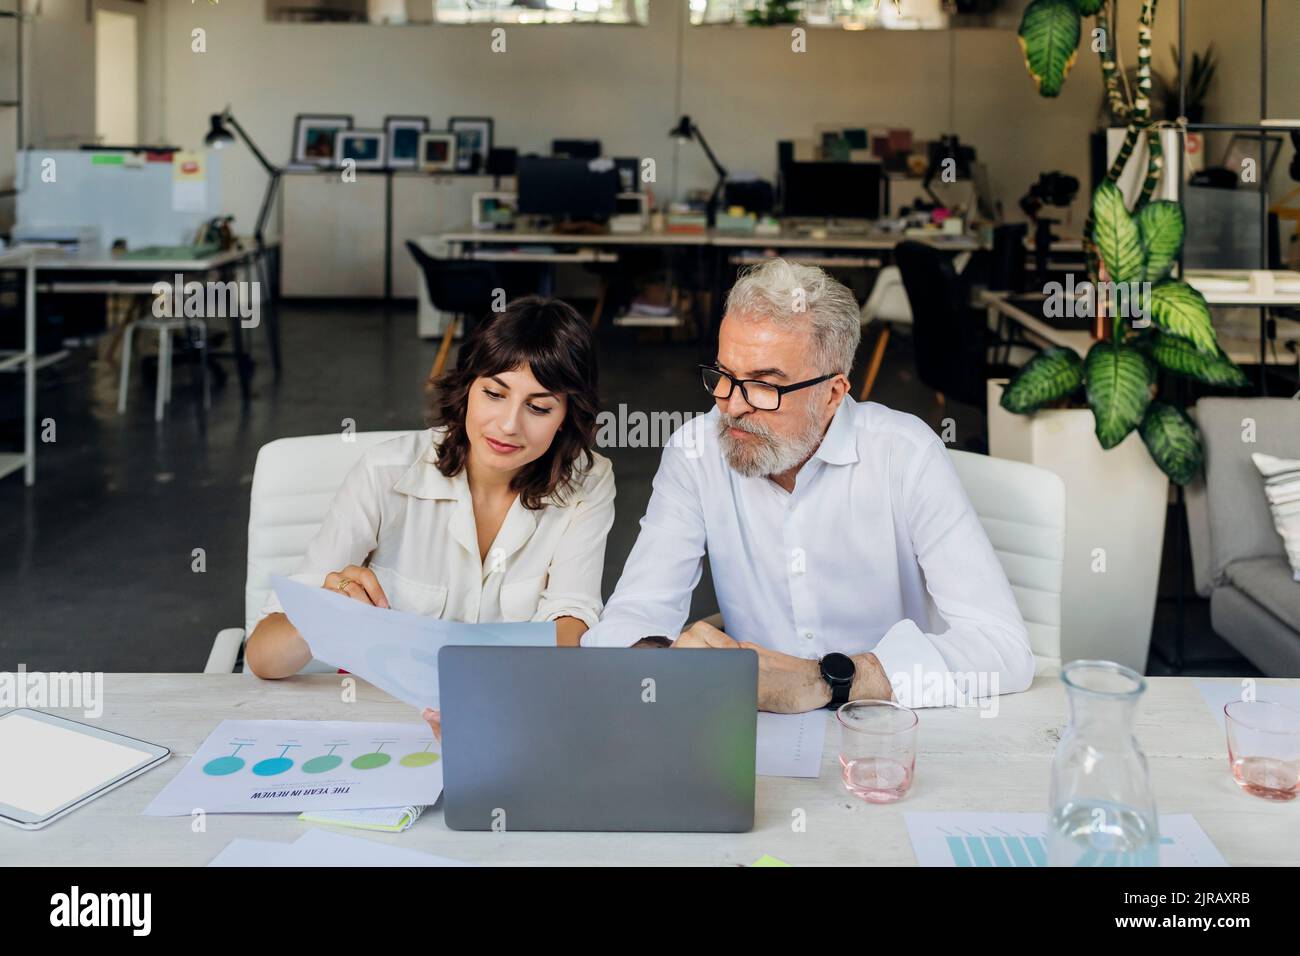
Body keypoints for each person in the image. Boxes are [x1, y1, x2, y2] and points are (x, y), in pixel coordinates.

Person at [583, 258, 1034, 713]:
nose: (732, 407)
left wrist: (823, 681)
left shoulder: (906, 454)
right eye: (723, 376)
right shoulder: (696, 452)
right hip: (758, 723)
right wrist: (662, 659)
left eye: (763, 385)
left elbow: (1003, 649)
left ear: (834, 394)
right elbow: (631, 614)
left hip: (895, 725)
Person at [246, 296, 617, 731]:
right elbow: (263, 657)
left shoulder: (587, 481)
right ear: (466, 390)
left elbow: (571, 624)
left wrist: (481, 695)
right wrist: (326, 611)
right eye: (494, 394)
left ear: (568, 416)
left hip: (508, 714)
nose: (508, 425)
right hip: (381, 722)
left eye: (538, 407)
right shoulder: (384, 473)